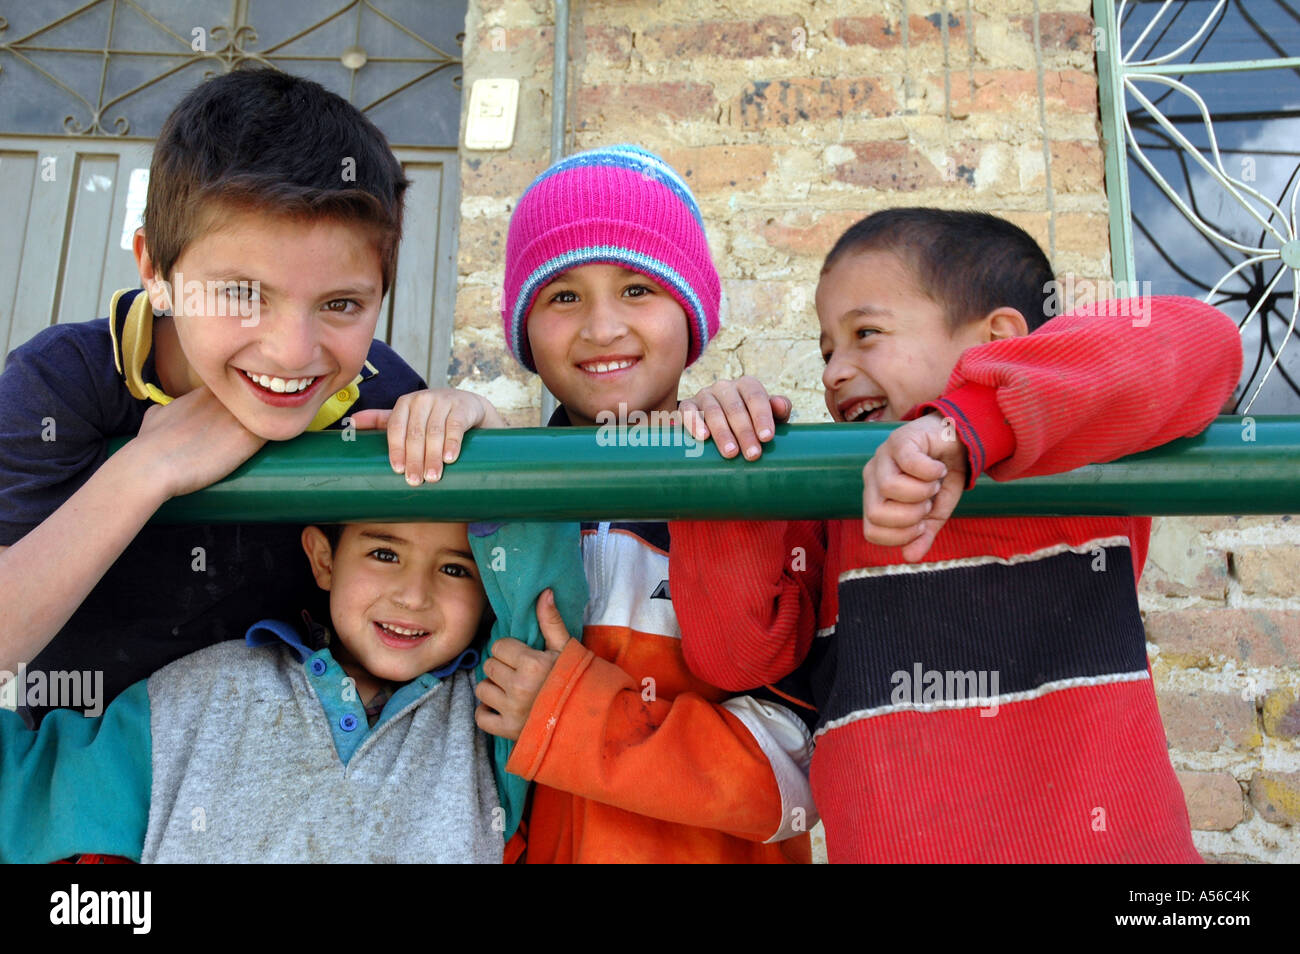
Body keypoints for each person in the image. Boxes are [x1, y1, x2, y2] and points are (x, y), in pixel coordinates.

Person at [671, 208, 1243, 862]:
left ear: (996, 338)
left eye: (866, 333)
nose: (832, 371)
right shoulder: (840, 505)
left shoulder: (1073, 459)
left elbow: (1208, 341)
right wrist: (725, 473)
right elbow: (736, 659)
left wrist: (970, 426)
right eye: (828, 348)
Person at [374, 145, 819, 863]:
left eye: (638, 288)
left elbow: (792, 781)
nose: (602, 326)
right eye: (563, 295)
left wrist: (572, 715)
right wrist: (459, 444)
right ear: (524, 331)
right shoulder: (495, 496)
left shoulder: (755, 486)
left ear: (694, 312)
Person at [0, 69, 427, 725]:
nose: (293, 351)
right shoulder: (62, 382)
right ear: (155, 271)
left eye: (341, 304)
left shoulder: (383, 392)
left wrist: (468, 425)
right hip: (81, 791)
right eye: (240, 294)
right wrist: (146, 470)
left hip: (277, 795)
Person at [0, 517, 584, 863]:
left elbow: (544, 590)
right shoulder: (200, 694)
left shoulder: (495, 714)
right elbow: (27, 794)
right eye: (383, 553)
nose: (413, 595)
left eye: (456, 569)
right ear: (324, 559)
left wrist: (475, 430)